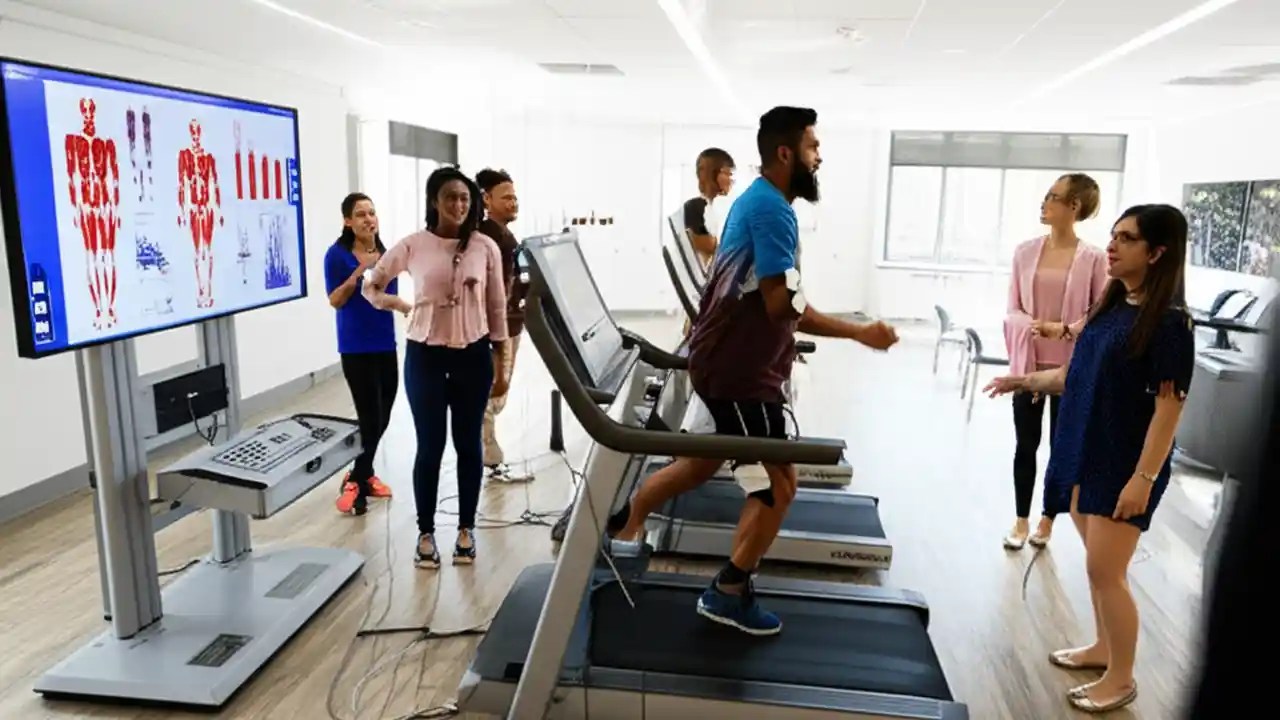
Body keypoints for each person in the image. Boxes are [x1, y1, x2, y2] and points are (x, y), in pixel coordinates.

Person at [606, 107, 899, 636]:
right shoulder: (771, 211)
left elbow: (774, 297)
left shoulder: (762, 202)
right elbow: (781, 304)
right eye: (813, 148)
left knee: (698, 464)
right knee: (777, 486)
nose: (819, 157)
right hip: (739, 374)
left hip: (730, 363)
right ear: (786, 154)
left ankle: (625, 523)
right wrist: (858, 331)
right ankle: (728, 591)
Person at [984, 204, 1195, 713]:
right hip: (1084, 449)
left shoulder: (1170, 324)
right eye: (1113, 235)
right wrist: (1024, 380)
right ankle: (1102, 648)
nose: (1112, 246)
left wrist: (1143, 479)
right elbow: (1076, 376)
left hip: (1126, 462)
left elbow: (1170, 408)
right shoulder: (1113, 305)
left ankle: (1121, 678)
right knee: (1098, 566)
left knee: (1107, 572)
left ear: (1157, 252)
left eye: (1126, 239)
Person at [364, 167, 509, 569]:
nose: (459, 205)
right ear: (434, 201)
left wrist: (502, 363)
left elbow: (497, 306)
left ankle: (466, 530)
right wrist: (399, 306)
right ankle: (425, 533)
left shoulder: (485, 247)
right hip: (425, 355)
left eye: (464, 198)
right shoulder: (413, 246)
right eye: (450, 198)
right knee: (430, 446)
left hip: (474, 356)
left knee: (468, 445)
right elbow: (371, 285)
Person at [1002, 174, 1109, 550]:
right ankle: (1020, 519)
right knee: (1025, 443)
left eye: (1052, 197)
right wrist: (1030, 327)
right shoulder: (1024, 252)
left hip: (1071, 370)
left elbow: (1099, 315)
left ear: (1074, 206)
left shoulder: (1095, 259)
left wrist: (1062, 330)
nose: (1044, 202)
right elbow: (1012, 307)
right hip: (1028, 366)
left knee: (1061, 447)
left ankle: (1047, 520)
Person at [323, 192, 401, 516]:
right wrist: (359, 273)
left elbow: (387, 298)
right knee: (370, 417)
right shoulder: (337, 255)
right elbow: (335, 300)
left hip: (385, 344)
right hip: (356, 347)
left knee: (384, 414)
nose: (369, 219)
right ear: (348, 221)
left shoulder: (386, 254)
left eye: (372, 213)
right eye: (360, 214)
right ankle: (358, 480)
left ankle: (361, 473)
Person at [476, 168, 531, 483]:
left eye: (515, 196)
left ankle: (488, 457)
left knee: (497, 394)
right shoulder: (490, 237)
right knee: (492, 394)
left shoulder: (503, 235)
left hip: (510, 325)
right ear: (486, 199)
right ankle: (489, 460)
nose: (513, 202)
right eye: (506, 197)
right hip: (499, 330)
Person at [682, 147, 736, 272]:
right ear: (708, 174)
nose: (731, 180)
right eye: (727, 173)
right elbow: (708, 246)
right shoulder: (694, 207)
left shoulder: (717, 208)